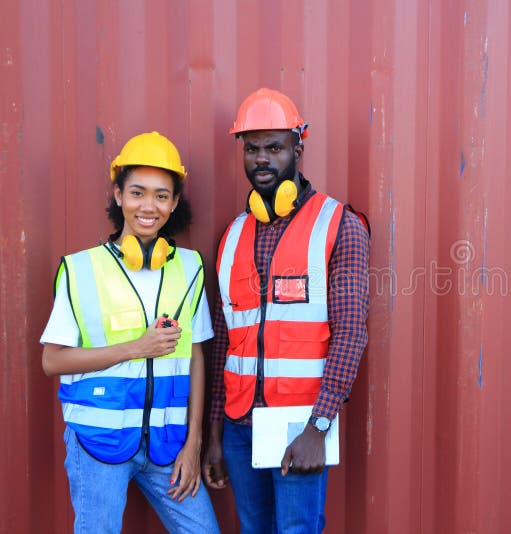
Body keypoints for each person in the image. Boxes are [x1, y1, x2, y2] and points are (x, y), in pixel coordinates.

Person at [202, 88, 370, 533]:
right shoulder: (232, 235)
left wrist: (319, 427)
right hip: (239, 426)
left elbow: (351, 333)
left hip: (301, 423)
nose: (262, 159)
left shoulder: (340, 225)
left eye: (274, 147)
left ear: (298, 147)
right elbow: (224, 339)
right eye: (252, 148)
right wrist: (214, 434)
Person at [40, 131, 220, 534]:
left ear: (174, 204)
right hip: (97, 443)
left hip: (167, 446)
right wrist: (137, 347)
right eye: (137, 192)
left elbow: (195, 357)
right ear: (118, 195)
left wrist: (193, 445)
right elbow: (52, 360)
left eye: (161, 195)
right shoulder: (80, 269)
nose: (148, 206)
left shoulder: (190, 268)